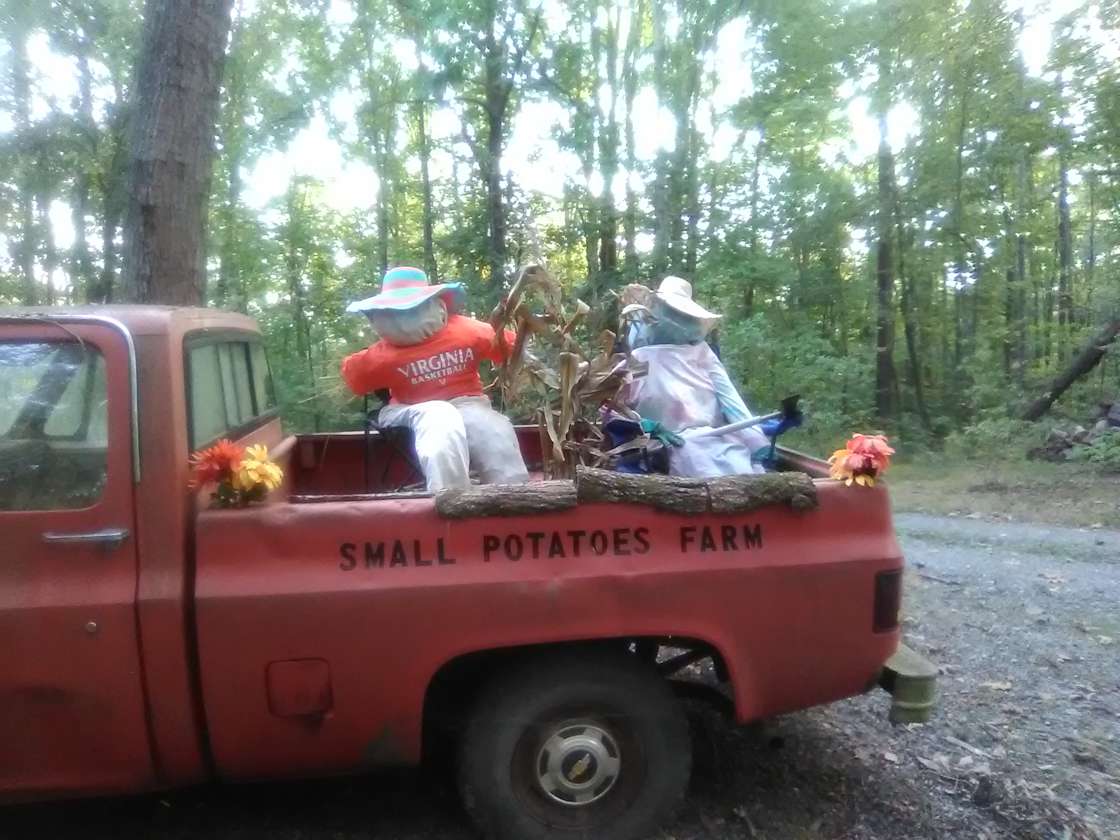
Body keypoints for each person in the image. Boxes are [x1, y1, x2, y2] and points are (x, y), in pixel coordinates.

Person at [340, 266, 529, 492]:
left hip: (467, 402)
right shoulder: (379, 356)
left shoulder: (469, 331)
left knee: (491, 430)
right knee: (439, 417)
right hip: (408, 408)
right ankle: (451, 499)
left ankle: (512, 495)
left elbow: (512, 350)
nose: (404, 317)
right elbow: (356, 379)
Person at [623, 276, 770, 477]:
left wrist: (755, 438)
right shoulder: (637, 358)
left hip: (715, 436)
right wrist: (644, 427)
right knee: (697, 461)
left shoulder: (702, 353)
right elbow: (614, 406)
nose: (675, 319)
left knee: (738, 464)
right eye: (672, 311)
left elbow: (730, 399)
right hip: (664, 444)